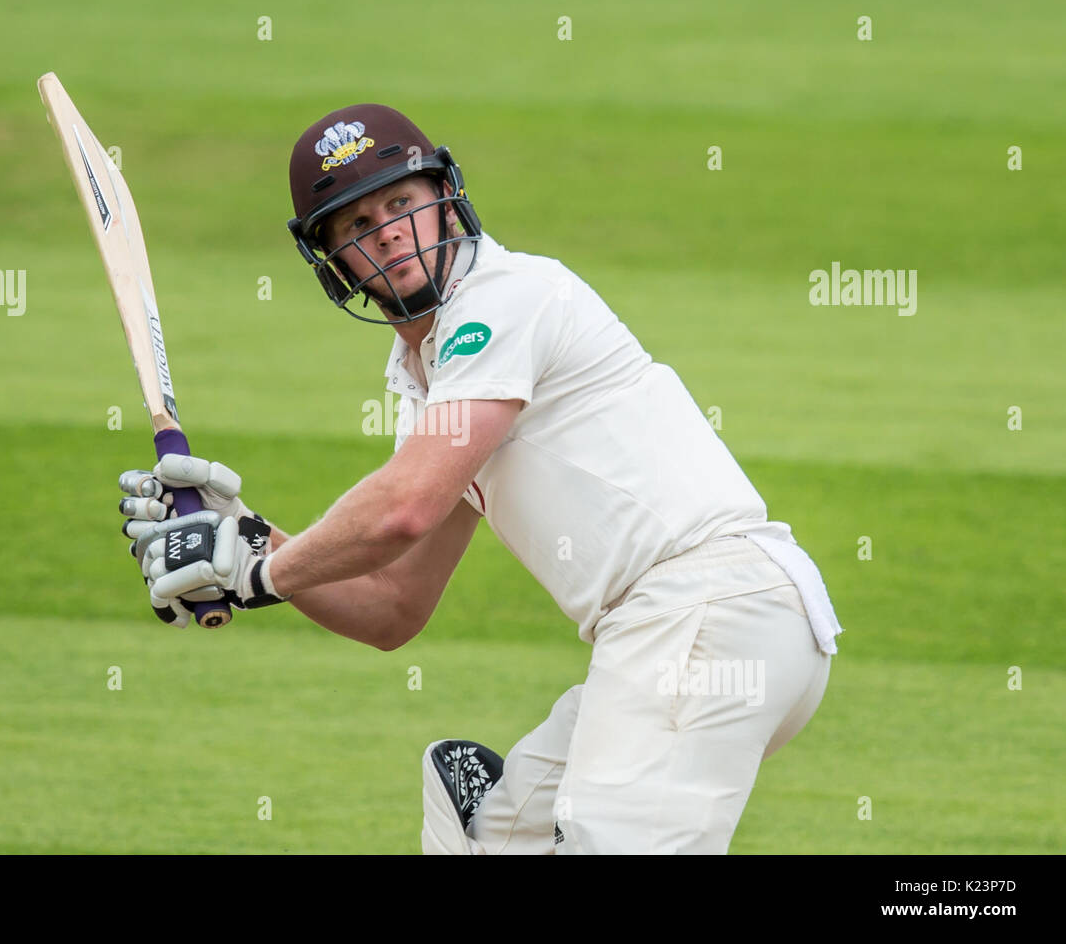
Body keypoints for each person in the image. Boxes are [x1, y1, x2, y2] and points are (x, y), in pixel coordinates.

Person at [116, 104, 842, 854]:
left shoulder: (504, 300)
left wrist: (257, 573)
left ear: (444, 200)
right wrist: (250, 536)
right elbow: (392, 606)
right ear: (333, 262)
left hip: (704, 614)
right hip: (691, 637)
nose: (389, 230)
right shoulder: (433, 386)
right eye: (356, 224)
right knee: (508, 841)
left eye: (402, 203)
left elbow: (404, 507)